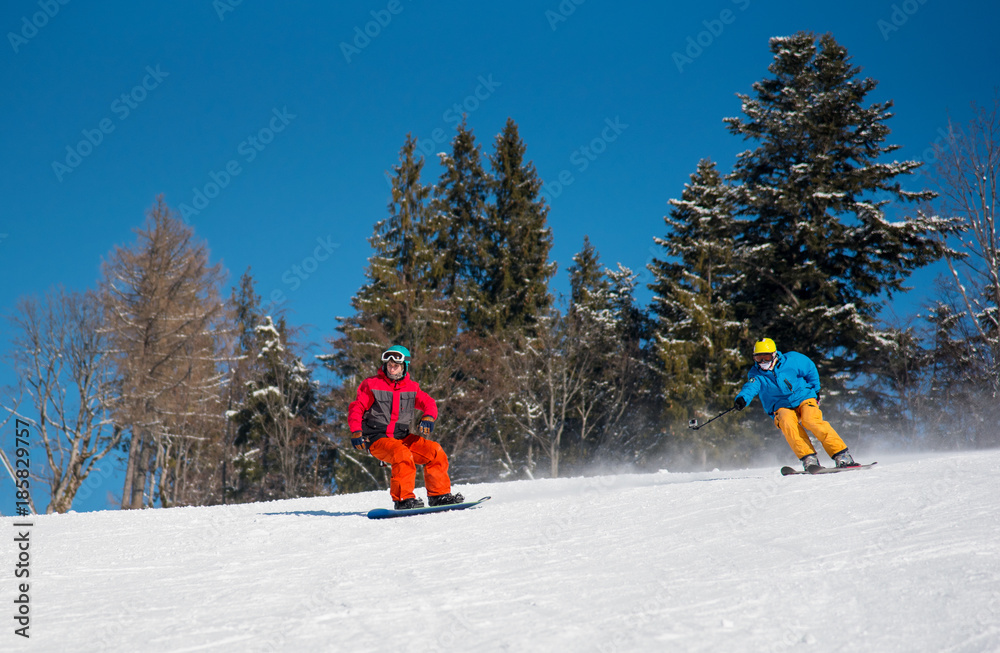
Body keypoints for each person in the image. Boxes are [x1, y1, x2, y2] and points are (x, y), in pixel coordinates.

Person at [348, 345, 464, 509]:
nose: (392, 367)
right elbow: (356, 407)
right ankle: (403, 499)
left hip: (402, 437)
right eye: (389, 364)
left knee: (434, 451)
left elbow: (428, 402)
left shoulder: (412, 387)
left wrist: (429, 416)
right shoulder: (372, 384)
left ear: (404, 366)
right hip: (376, 438)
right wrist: (356, 431)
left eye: (396, 364)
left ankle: (439, 496)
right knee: (401, 453)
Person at [733, 337, 858, 472]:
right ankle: (809, 459)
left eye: (766, 357)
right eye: (758, 358)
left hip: (803, 397)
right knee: (787, 423)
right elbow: (750, 388)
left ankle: (842, 455)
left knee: (811, 420)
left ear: (774, 355)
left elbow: (810, 369)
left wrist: (816, 390)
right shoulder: (756, 374)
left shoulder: (792, 360)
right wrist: (742, 399)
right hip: (780, 405)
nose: (763, 362)